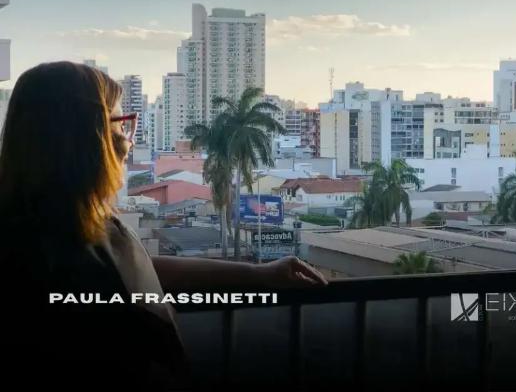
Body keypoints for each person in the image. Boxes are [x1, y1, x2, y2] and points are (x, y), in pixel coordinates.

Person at [0, 62, 327, 389]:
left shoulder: (70, 223)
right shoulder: (52, 252)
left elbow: (139, 267)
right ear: (87, 138)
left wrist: (256, 274)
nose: (128, 141)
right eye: (120, 124)